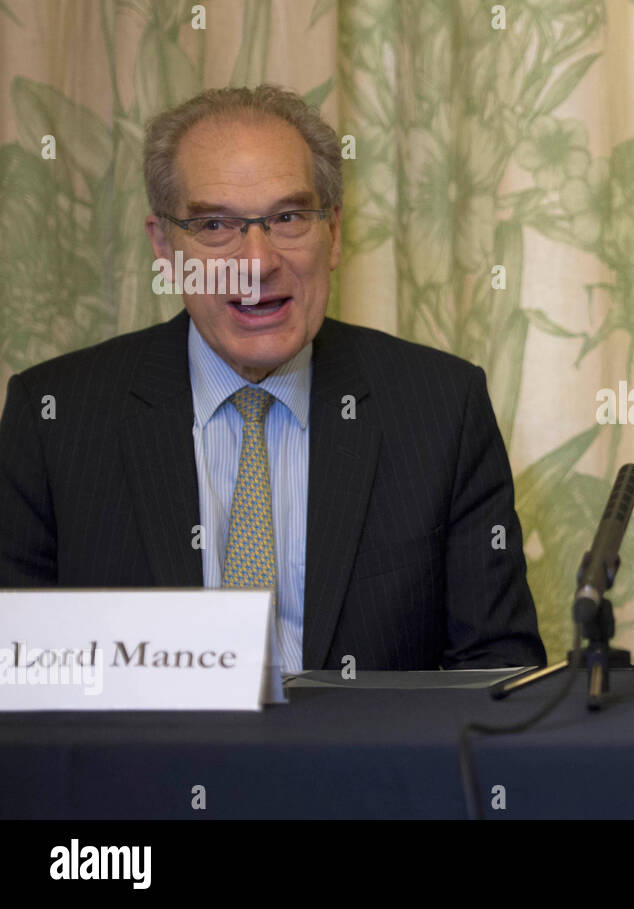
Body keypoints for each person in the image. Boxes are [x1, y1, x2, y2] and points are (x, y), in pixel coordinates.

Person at [0, 85, 546, 672]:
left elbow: (496, 673)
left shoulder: (442, 408)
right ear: (164, 247)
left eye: (288, 218)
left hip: (368, 765)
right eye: (214, 225)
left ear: (333, 233)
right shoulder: (55, 416)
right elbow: (17, 671)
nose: (257, 263)